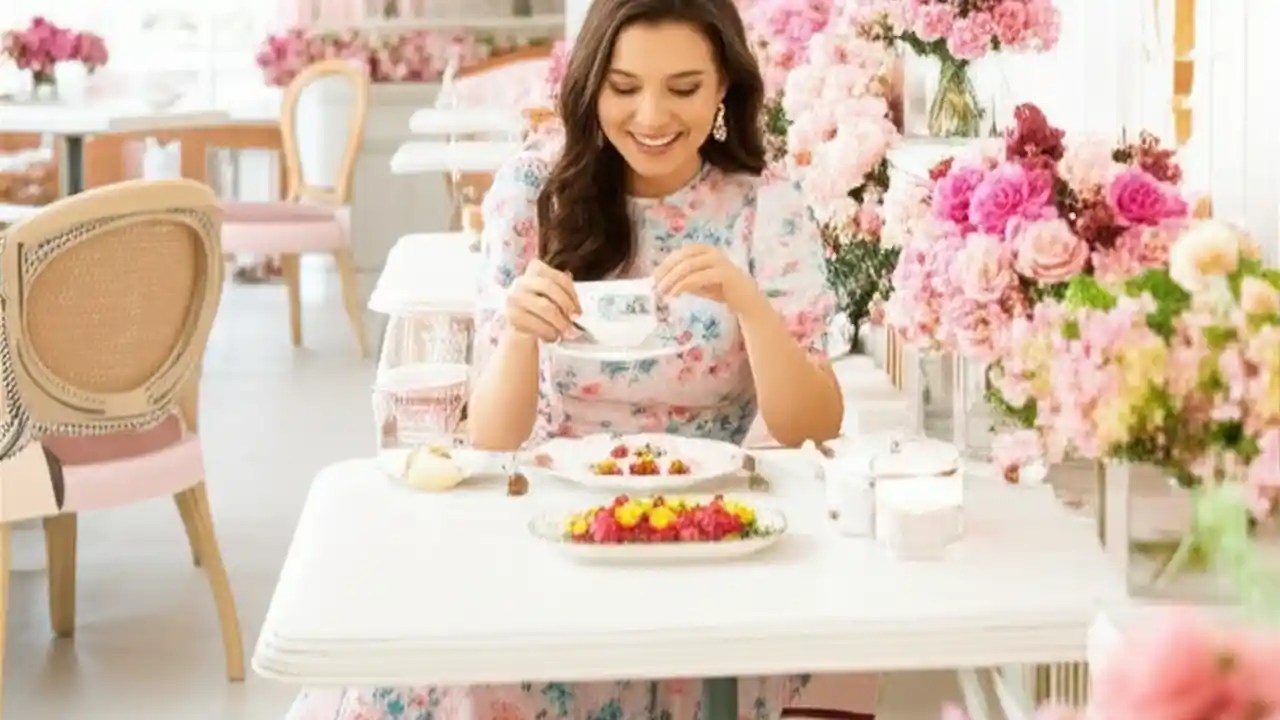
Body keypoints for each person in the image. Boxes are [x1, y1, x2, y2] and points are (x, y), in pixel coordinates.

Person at [287, 0, 864, 716]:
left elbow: (815, 424)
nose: (652, 116)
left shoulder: (763, 205)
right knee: (441, 678)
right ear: (591, 87)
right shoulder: (533, 191)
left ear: (724, 89)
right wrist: (522, 332)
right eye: (624, 88)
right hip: (548, 519)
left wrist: (750, 307)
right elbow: (494, 437)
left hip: (705, 531)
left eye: (683, 88)